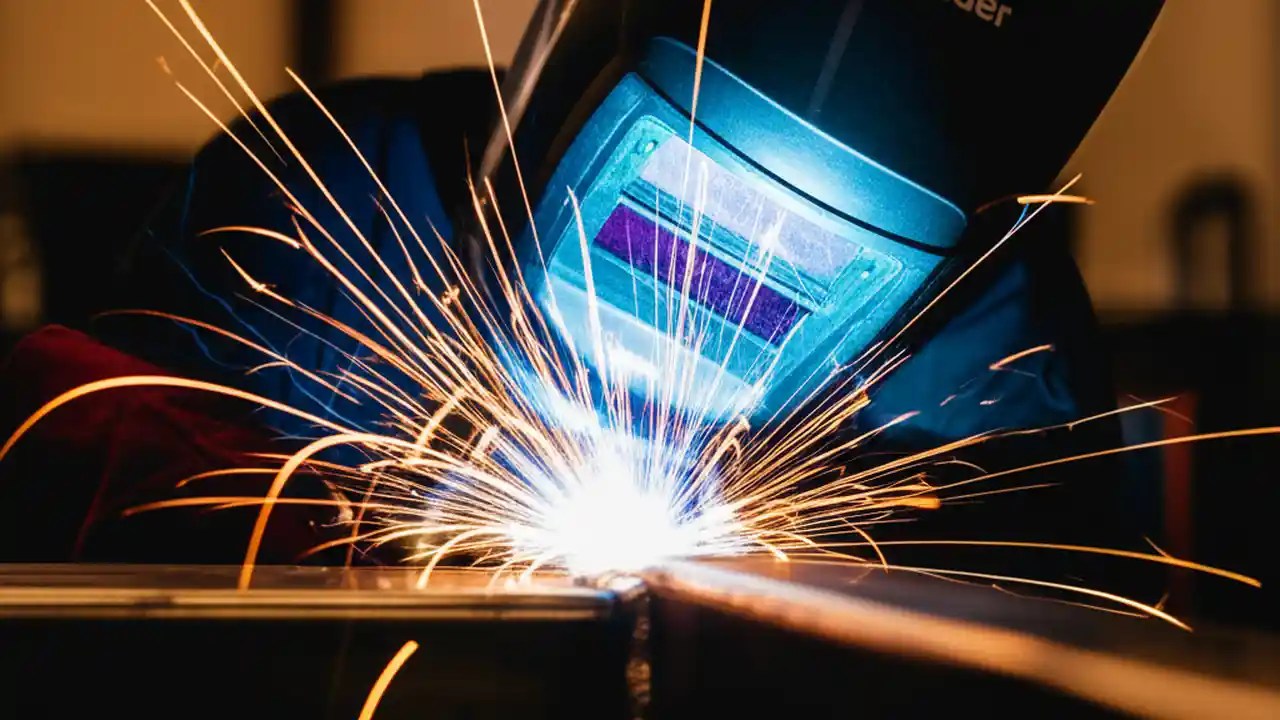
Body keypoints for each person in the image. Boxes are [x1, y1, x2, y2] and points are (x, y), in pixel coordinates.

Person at [0, 1, 1161, 588]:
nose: (712, 284)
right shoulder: (320, 205)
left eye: (812, 268)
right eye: (660, 197)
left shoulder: (1005, 378)